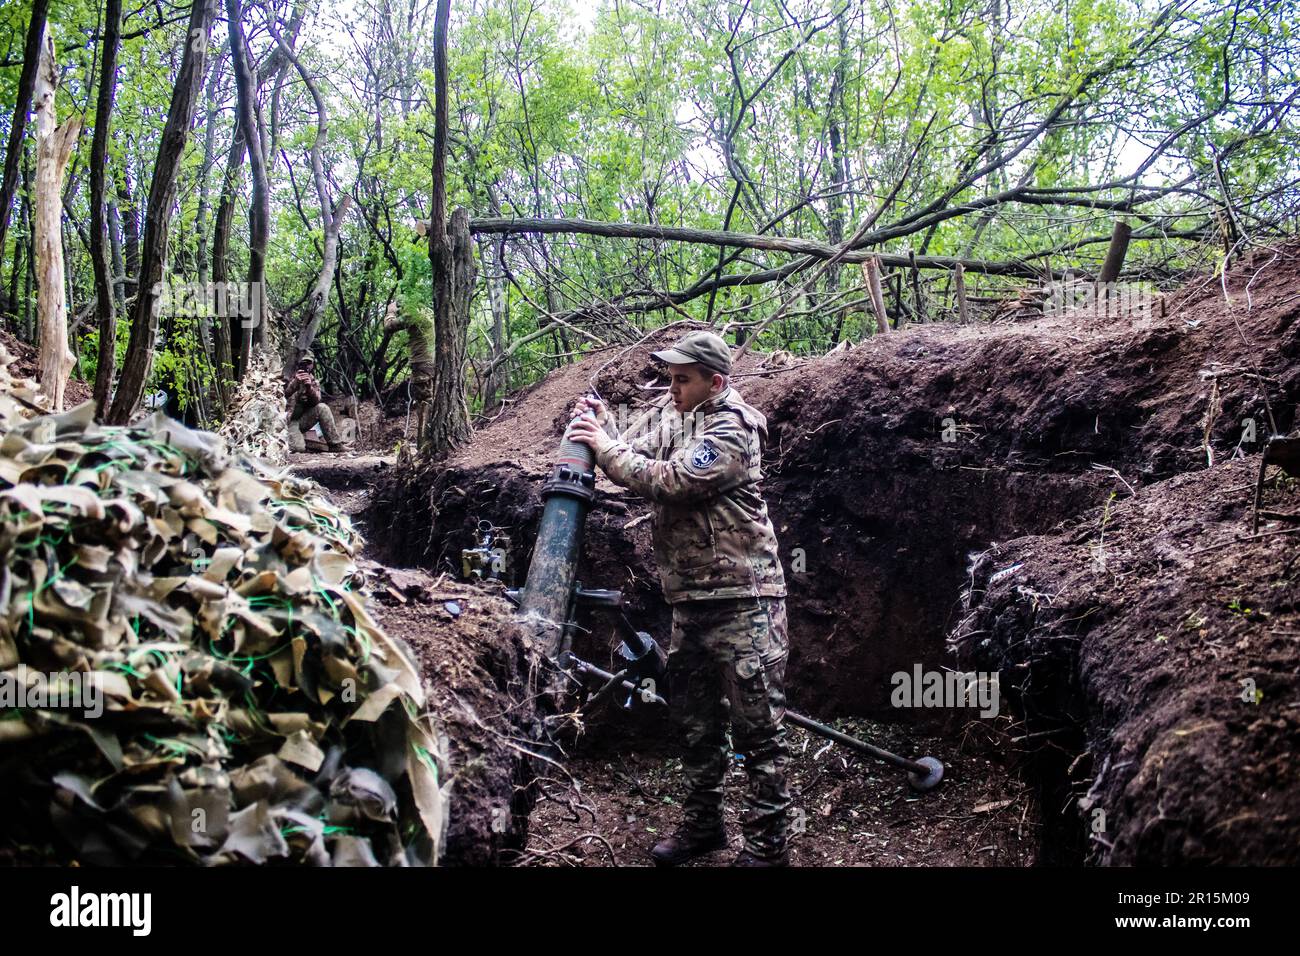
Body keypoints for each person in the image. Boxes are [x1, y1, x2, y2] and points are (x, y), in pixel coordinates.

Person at [565, 330, 792, 867]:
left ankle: (768, 848)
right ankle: (703, 827)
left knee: (758, 729)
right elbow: (637, 454)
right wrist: (604, 426)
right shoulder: (684, 417)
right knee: (695, 724)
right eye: (670, 377)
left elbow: (672, 481)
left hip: (744, 600)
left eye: (682, 379)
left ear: (715, 382)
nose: (672, 388)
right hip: (692, 600)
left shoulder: (731, 427)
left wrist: (603, 445)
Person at [284, 353, 345, 453]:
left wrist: (309, 388)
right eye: (303, 362)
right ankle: (291, 441)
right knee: (298, 448)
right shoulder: (287, 376)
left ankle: (335, 445)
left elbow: (316, 401)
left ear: (312, 364)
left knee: (322, 408)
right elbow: (281, 395)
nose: (306, 365)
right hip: (287, 421)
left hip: (301, 420)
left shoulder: (313, 381)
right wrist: (295, 383)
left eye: (308, 362)